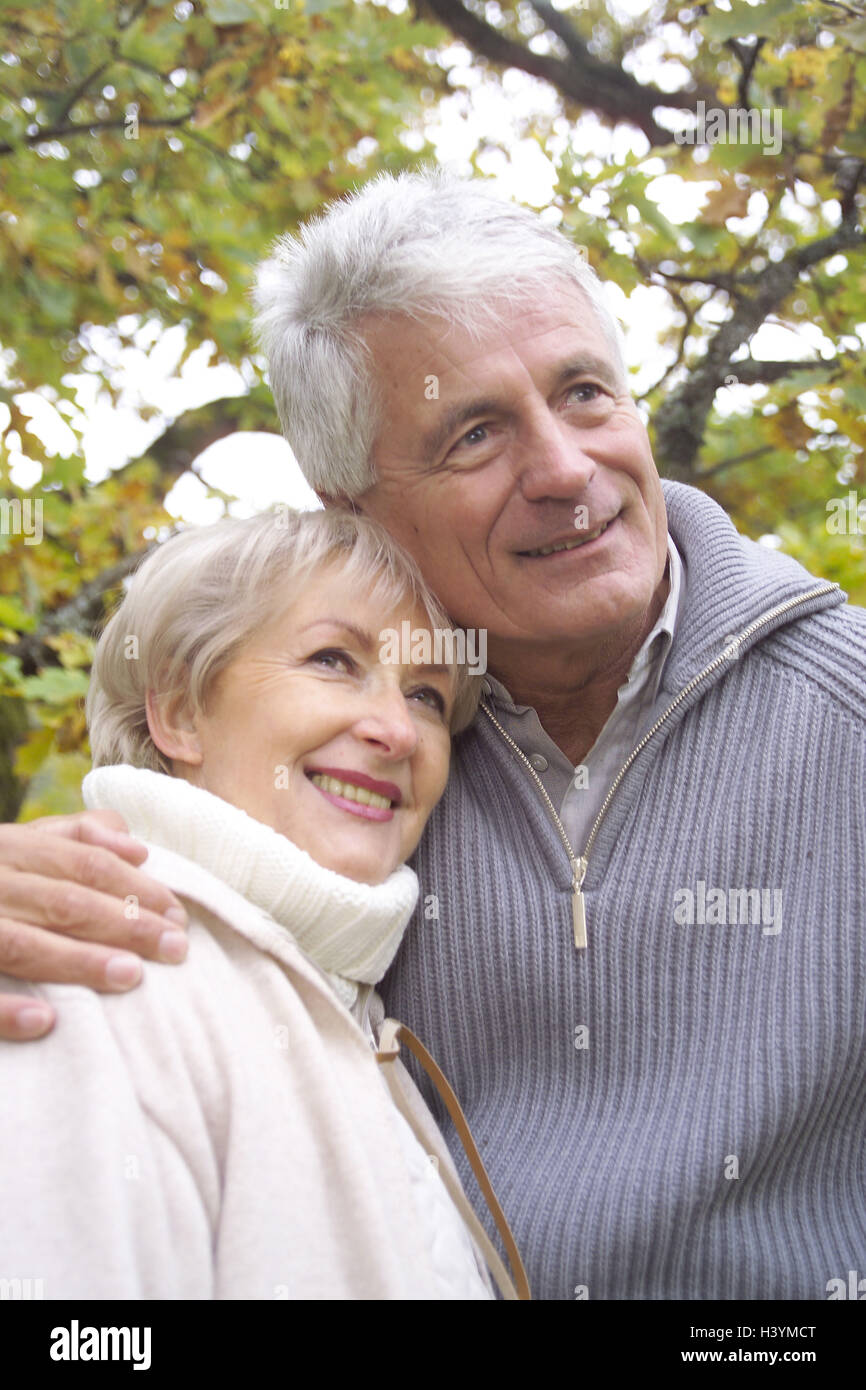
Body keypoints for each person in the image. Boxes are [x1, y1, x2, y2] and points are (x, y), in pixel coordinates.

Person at [1, 171, 864, 1301]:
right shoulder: (325, 808)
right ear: (347, 502)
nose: (563, 470)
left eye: (586, 393)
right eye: (472, 435)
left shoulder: (846, 712)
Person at [0, 505, 528, 1300]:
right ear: (178, 712)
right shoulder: (93, 971)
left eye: (425, 694)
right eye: (332, 660)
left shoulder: (353, 1012)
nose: (397, 730)